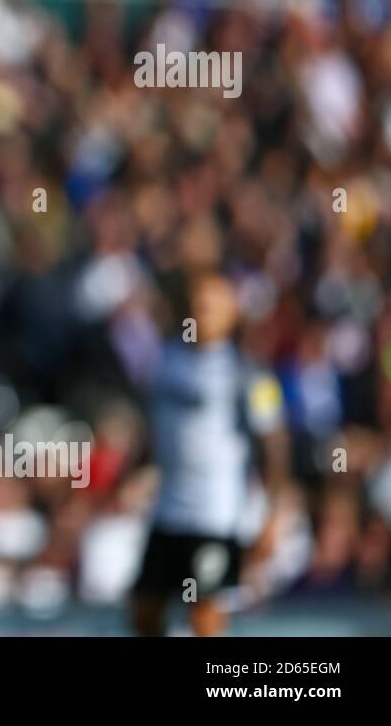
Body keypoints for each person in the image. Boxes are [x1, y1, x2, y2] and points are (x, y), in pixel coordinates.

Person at [129, 272, 288, 636]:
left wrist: (272, 516)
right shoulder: (166, 359)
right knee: (145, 608)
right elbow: (152, 428)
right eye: (198, 306)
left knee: (205, 613)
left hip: (215, 516)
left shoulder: (248, 373)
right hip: (168, 509)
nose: (202, 315)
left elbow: (275, 445)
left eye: (212, 308)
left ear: (231, 314)